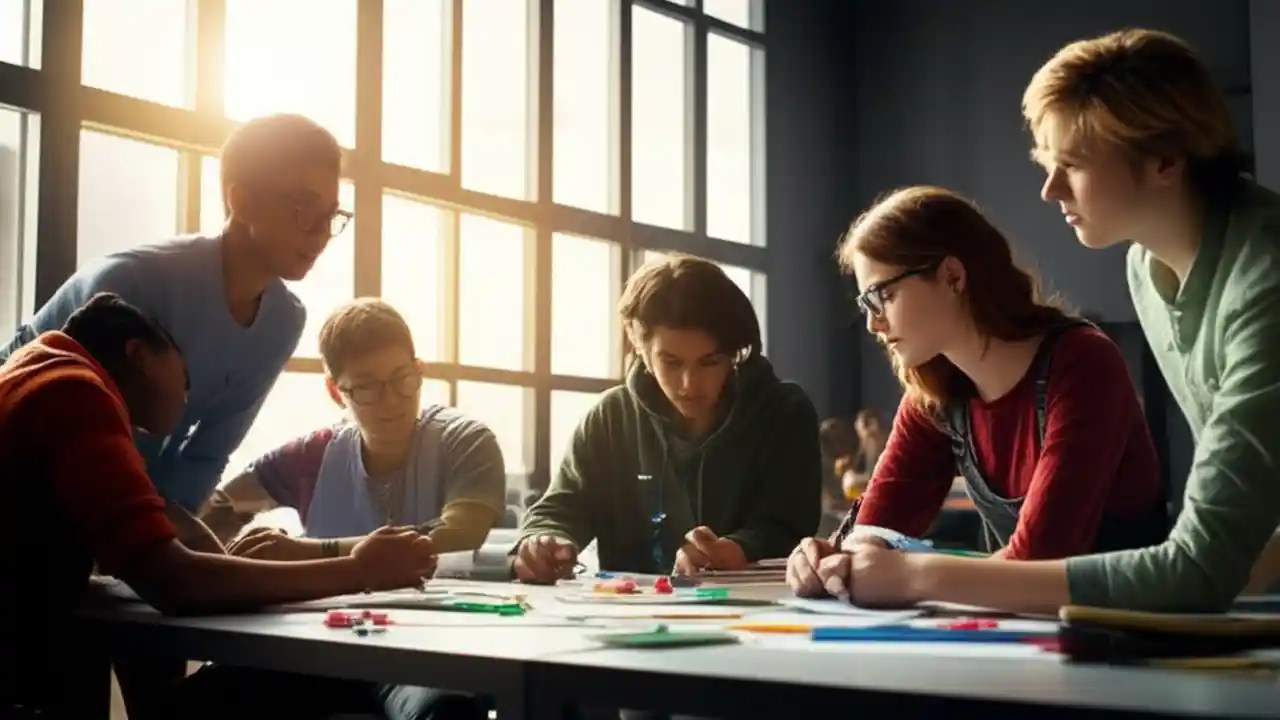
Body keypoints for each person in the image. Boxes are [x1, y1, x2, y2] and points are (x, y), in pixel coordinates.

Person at [794, 29, 1280, 614]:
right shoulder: (1146, 269)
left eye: (1070, 164)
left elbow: (1195, 565)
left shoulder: (1264, 279)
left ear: (1165, 160)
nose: (1049, 189)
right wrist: (845, 557)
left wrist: (917, 575)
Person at [0, 293, 437, 719]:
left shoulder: (32, 374)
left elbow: (155, 519)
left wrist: (205, 548)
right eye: (186, 376)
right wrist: (359, 570)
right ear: (139, 354)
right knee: (333, 669)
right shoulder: (75, 392)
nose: (189, 397)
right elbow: (175, 582)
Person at [785, 185, 1165, 604]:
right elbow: (873, 528)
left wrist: (907, 573)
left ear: (953, 276)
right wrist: (835, 562)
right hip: (1020, 635)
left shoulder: (1084, 362)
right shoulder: (934, 391)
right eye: (866, 304)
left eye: (884, 296)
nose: (874, 325)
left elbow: (1040, 560)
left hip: (1126, 631)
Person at [0, 113, 348, 525]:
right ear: (242, 200)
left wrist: (169, 526)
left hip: (118, 502)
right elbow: (58, 428)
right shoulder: (131, 283)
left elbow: (209, 453)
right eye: (302, 207)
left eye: (331, 215)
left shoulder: (283, 321)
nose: (322, 232)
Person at [515, 254, 822, 582]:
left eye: (709, 362)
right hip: (631, 615)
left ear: (735, 352)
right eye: (671, 362)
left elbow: (788, 523)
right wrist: (544, 542)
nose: (689, 384)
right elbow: (561, 507)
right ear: (640, 347)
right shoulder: (610, 419)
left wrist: (738, 549)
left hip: (755, 608)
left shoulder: (783, 411)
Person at [200, 298, 506, 556]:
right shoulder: (312, 456)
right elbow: (219, 507)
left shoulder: (466, 442)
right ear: (336, 392)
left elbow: (458, 538)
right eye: (367, 387)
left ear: (419, 371)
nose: (390, 400)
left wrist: (309, 553)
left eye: (402, 379)